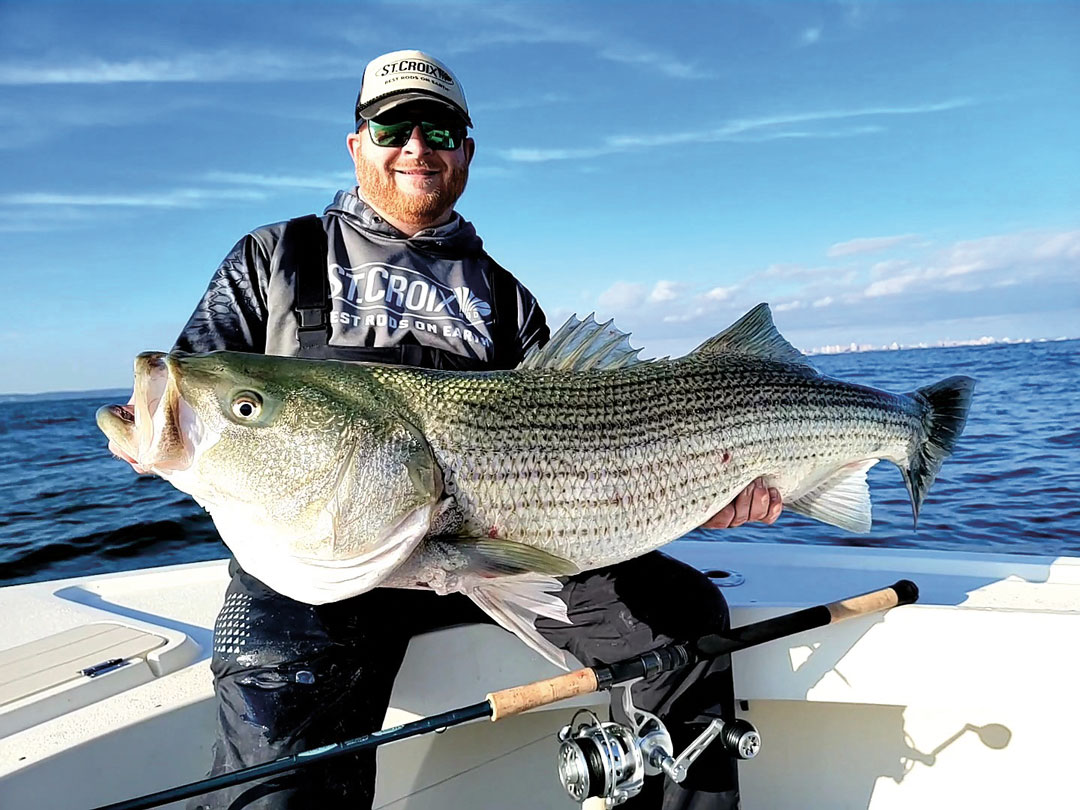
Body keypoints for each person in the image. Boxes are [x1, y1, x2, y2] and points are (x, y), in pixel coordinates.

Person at [113, 49, 782, 810]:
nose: (416, 146)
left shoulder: (505, 295)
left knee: (687, 623)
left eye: (439, 127)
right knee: (274, 772)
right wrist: (162, 439)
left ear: (465, 149)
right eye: (392, 125)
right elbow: (195, 387)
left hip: (494, 545)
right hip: (320, 563)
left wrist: (711, 485)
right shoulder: (275, 258)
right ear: (357, 142)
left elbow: (588, 439)